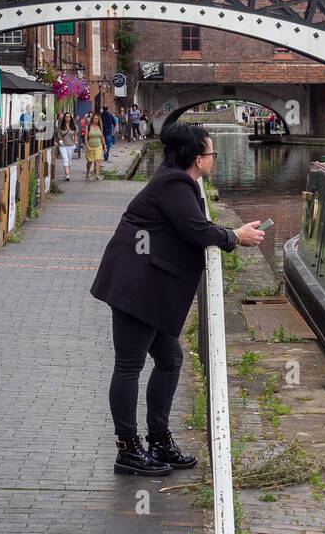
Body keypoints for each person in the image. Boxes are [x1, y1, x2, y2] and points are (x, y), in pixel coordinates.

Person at [90, 124, 266, 476]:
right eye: (212, 153)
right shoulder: (174, 183)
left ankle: (158, 438)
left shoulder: (179, 181)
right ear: (198, 159)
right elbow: (196, 230)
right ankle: (127, 449)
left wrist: (229, 234)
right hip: (135, 285)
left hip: (150, 285)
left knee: (170, 358)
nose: (213, 159)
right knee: (129, 364)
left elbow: (191, 226)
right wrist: (235, 235)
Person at [57, 113, 76, 182]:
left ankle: (66, 173)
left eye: (69, 117)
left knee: (69, 161)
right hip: (63, 146)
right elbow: (58, 135)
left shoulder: (73, 126)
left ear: (70, 118)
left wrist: (74, 143)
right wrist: (60, 140)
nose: (68, 118)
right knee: (66, 160)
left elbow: (75, 135)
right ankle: (67, 175)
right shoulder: (61, 126)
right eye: (66, 117)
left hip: (71, 145)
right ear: (64, 118)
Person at [85, 115, 105, 180]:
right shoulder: (88, 127)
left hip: (98, 146)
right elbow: (85, 138)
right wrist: (87, 146)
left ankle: (97, 175)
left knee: (98, 160)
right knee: (89, 162)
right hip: (90, 147)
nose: (96, 120)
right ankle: (87, 172)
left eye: (97, 119)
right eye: (95, 118)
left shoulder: (100, 127)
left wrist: (104, 145)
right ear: (92, 119)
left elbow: (102, 137)